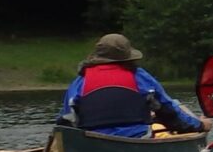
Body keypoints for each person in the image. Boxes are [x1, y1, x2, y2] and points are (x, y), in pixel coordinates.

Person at [57, 34, 205, 138]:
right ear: (127, 57)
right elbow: (170, 112)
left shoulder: (80, 81)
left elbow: (65, 122)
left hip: (90, 140)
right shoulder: (139, 77)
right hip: (138, 138)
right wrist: (199, 126)